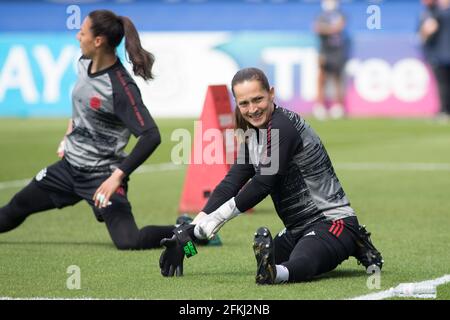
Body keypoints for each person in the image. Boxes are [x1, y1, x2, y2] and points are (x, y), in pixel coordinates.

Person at [159, 68, 383, 284]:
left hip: (331, 221)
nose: (252, 109)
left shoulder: (283, 126)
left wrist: (216, 219)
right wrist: (191, 232)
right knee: (275, 256)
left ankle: (276, 275)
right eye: (244, 103)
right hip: (296, 227)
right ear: (236, 103)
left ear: (272, 94)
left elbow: (264, 182)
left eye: (258, 99)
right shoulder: (251, 133)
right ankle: (355, 244)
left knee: (303, 260)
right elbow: (231, 183)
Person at [0, 10, 176, 250]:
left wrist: (116, 178)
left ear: (98, 41)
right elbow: (81, 105)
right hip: (67, 169)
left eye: (82, 33)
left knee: (129, 241)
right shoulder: (83, 62)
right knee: (14, 210)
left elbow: (151, 136)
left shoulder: (121, 88)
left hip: (101, 177)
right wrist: (68, 134)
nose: (77, 37)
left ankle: (186, 230)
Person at [312, 0, 350, 120]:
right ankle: (320, 106)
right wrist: (331, 28)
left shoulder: (340, 15)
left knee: (337, 78)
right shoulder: (321, 16)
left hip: (337, 51)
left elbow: (340, 26)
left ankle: (338, 106)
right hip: (325, 51)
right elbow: (317, 28)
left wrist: (328, 29)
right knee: (321, 78)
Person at [419, 0, 450, 122]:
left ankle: (444, 110)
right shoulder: (433, 12)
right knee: (443, 84)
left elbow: (427, 31)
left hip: (440, 54)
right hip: (439, 55)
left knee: (443, 85)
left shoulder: (434, 13)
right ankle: (444, 110)